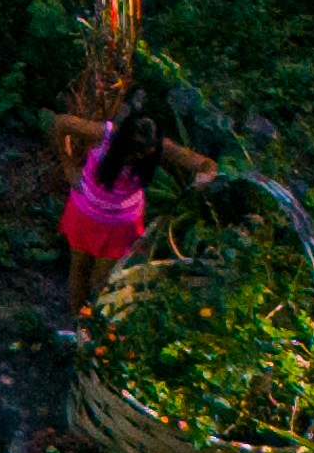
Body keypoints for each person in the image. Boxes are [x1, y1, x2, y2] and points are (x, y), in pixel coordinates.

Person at [58, 83, 210, 310]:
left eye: (142, 155)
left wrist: (206, 176)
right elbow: (61, 124)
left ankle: (92, 330)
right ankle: (74, 321)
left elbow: (204, 164)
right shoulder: (106, 135)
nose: (135, 158)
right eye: (131, 152)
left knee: (103, 281)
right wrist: (68, 167)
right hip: (85, 214)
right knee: (79, 268)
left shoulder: (160, 148)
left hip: (120, 227)